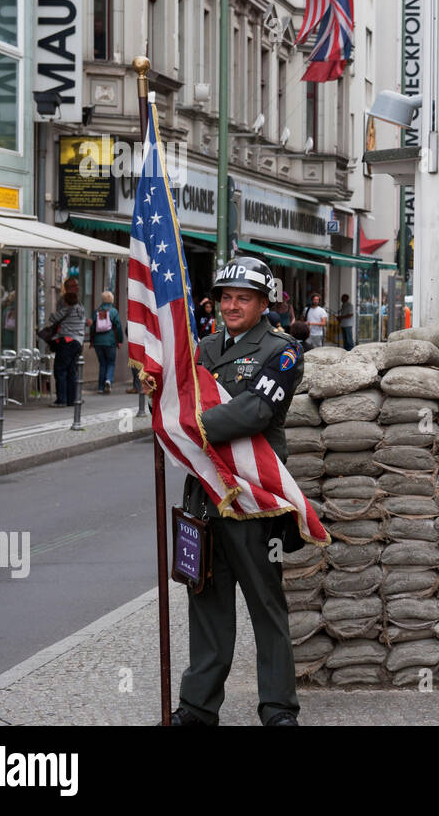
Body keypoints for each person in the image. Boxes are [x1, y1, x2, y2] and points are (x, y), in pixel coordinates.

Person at [172, 257, 305, 727]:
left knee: (266, 608)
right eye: (225, 297)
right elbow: (172, 396)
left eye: (242, 298)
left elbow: (256, 411)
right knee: (206, 606)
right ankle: (198, 707)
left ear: (264, 303)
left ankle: (278, 708)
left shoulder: (282, 350)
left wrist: (191, 425)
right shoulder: (200, 349)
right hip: (204, 502)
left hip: (253, 502)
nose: (231, 306)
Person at [45, 287, 86, 406]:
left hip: (67, 341)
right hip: (78, 342)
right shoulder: (81, 310)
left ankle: (61, 399)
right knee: (71, 371)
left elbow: (53, 318)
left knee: (60, 370)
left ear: (66, 301)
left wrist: (54, 312)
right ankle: (72, 398)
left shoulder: (68, 310)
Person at [90, 291, 125, 393]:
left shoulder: (97, 311)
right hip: (110, 342)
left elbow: (92, 327)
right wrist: (120, 340)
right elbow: (118, 327)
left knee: (102, 364)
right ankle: (108, 380)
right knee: (110, 363)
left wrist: (92, 340)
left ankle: (100, 387)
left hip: (98, 342)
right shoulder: (113, 311)